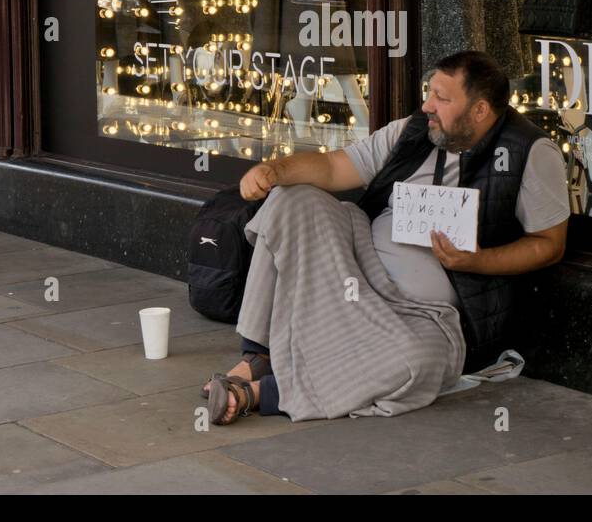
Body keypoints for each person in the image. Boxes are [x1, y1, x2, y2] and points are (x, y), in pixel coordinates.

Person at [201, 50, 571, 424]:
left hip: (423, 314)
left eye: (442, 99)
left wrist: (475, 260)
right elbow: (332, 167)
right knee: (291, 197)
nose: (427, 105)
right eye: (430, 92)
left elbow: (549, 245)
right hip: (354, 268)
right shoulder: (413, 132)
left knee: (417, 362)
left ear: (479, 110)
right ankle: (256, 357)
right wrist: (274, 169)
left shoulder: (531, 152)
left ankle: (265, 393)